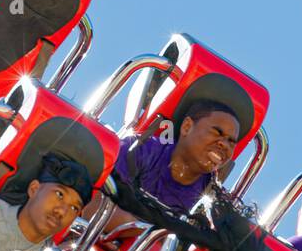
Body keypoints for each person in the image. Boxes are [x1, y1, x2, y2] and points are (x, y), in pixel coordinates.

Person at [93, 98, 242, 232]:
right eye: (217, 132)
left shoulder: (212, 201)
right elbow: (91, 205)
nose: (224, 144)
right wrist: (156, 235)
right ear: (187, 127)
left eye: (231, 142)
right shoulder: (139, 149)